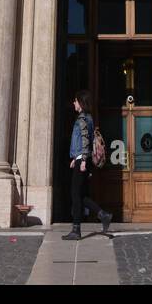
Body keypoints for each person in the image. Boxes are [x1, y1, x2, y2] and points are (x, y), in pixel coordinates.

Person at [64, 90, 112, 240]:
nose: (74, 103)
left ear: (81, 102)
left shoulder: (82, 119)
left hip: (82, 161)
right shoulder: (88, 118)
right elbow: (84, 141)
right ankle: (103, 215)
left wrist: (83, 160)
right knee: (81, 195)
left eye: (75, 101)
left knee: (75, 195)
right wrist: (76, 157)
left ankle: (76, 230)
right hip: (80, 159)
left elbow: (85, 140)